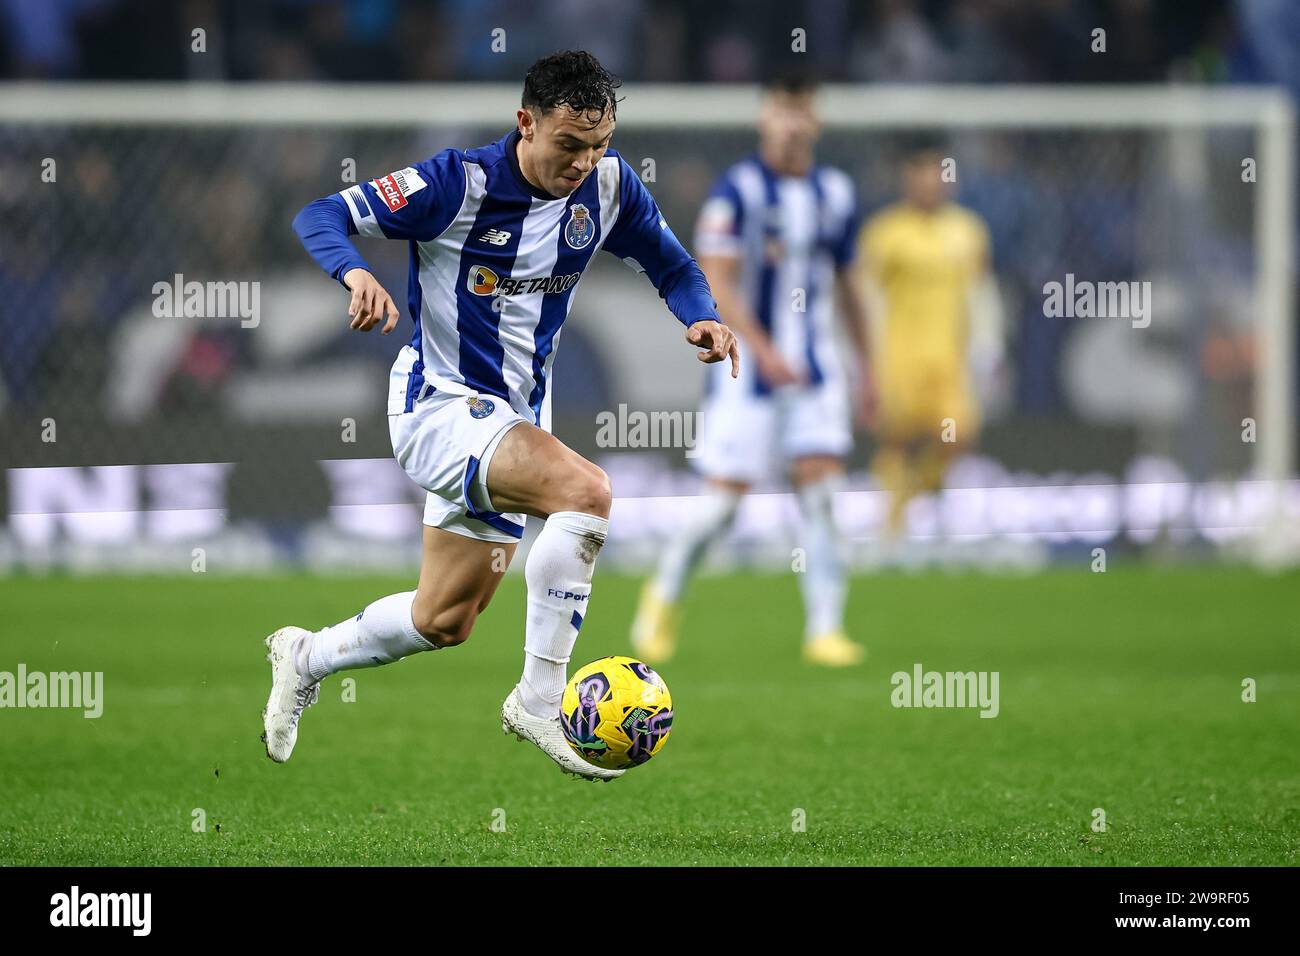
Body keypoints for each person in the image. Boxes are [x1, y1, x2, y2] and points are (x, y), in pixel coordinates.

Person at [269, 50, 738, 782]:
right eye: (570, 144)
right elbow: (319, 213)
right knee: (586, 494)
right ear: (526, 123)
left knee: (442, 620)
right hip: (440, 409)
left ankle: (306, 655)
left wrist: (703, 317)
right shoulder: (457, 183)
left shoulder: (609, 188)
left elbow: (672, 265)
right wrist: (356, 271)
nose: (585, 161)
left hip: (511, 421)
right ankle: (539, 701)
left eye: (599, 145)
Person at [631, 74, 874, 668]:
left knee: (821, 494)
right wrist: (761, 348)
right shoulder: (735, 192)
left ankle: (825, 628)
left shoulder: (836, 194)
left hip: (816, 371)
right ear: (765, 117)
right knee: (722, 507)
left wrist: (871, 367)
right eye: (782, 110)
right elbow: (715, 276)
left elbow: (851, 287)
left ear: (815, 120)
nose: (791, 123)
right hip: (747, 373)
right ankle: (662, 597)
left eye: (802, 110)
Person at [858, 140, 1000, 544]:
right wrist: (862, 359)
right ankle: (891, 528)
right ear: (907, 180)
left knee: (959, 438)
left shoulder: (968, 231)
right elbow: (865, 298)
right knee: (898, 441)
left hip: (949, 358)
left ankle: (906, 503)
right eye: (921, 174)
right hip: (898, 357)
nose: (930, 183)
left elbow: (981, 291)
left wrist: (988, 347)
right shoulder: (885, 233)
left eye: (937, 173)